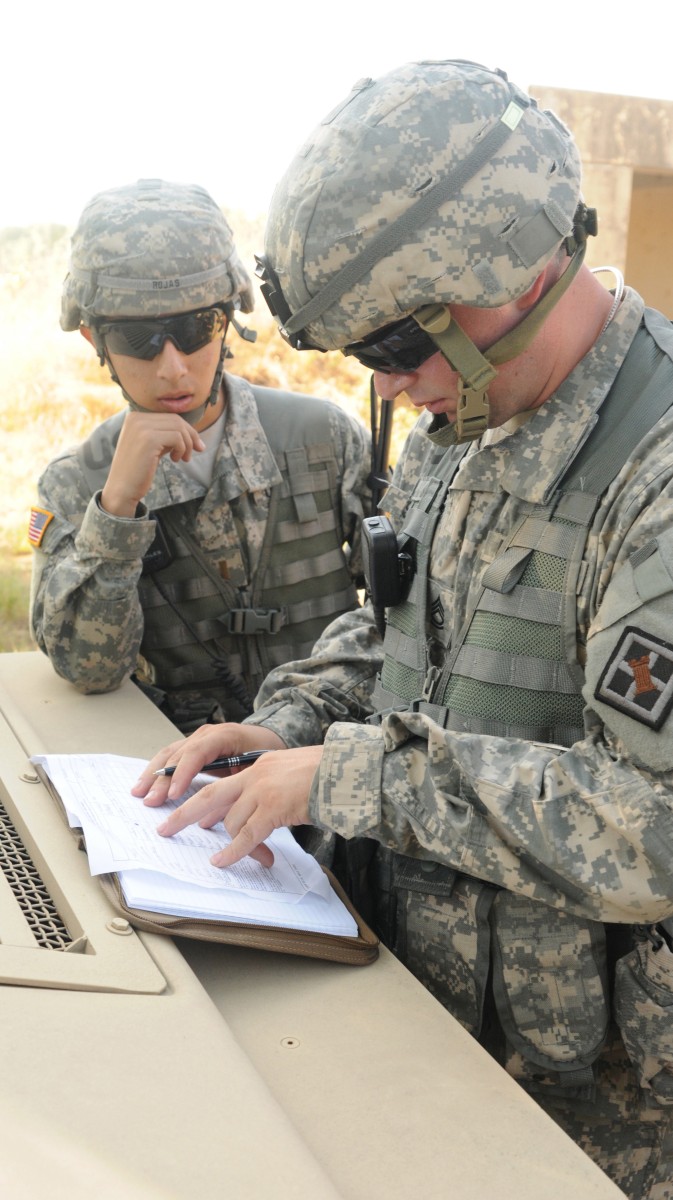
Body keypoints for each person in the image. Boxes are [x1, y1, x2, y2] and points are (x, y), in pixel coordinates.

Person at [133, 63, 673, 1197]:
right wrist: (277, 727)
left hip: (589, 1112)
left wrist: (345, 777)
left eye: (392, 349)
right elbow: (392, 630)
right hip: (409, 1012)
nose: (391, 389)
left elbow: (654, 826)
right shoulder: (463, 416)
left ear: (507, 277)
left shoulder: (654, 472)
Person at [29, 178, 371, 733]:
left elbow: (408, 619)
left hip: (326, 750)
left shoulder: (324, 438)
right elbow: (86, 670)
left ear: (229, 320)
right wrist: (116, 510)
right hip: (177, 777)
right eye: (139, 340)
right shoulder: (77, 484)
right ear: (95, 341)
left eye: (194, 328)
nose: (172, 368)